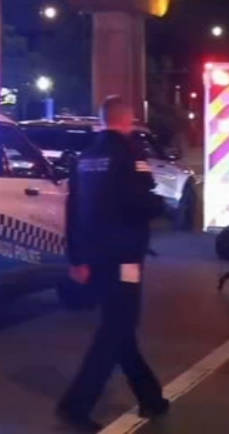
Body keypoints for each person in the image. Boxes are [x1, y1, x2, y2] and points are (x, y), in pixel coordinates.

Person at [57, 95, 169, 432]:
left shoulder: (86, 157)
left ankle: (150, 396)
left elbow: (72, 210)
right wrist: (160, 204)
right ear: (128, 120)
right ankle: (76, 405)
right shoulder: (130, 155)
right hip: (124, 258)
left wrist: (77, 258)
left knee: (120, 328)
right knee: (115, 331)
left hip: (94, 256)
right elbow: (141, 203)